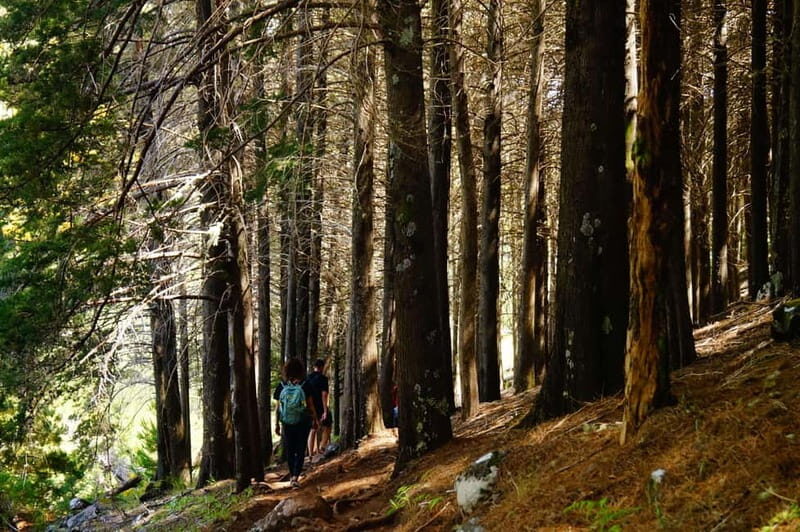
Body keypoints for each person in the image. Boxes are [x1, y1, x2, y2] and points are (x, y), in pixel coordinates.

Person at [274, 358, 318, 488]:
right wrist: (315, 419)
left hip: (287, 422)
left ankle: (292, 473)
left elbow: (278, 407)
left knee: (290, 449)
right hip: (303, 421)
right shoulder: (305, 384)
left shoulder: (281, 386)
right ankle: (295, 477)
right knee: (300, 448)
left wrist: (277, 424)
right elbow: (310, 405)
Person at [306, 358, 331, 457]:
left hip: (309, 407)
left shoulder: (308, 378)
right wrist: (325, 410)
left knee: (313, 429)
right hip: (319, 406)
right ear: (322, 367)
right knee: (328, 425)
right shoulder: (323, 379)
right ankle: (322, 447)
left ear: (314, 367)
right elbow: (324, 395)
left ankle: (311, 454)